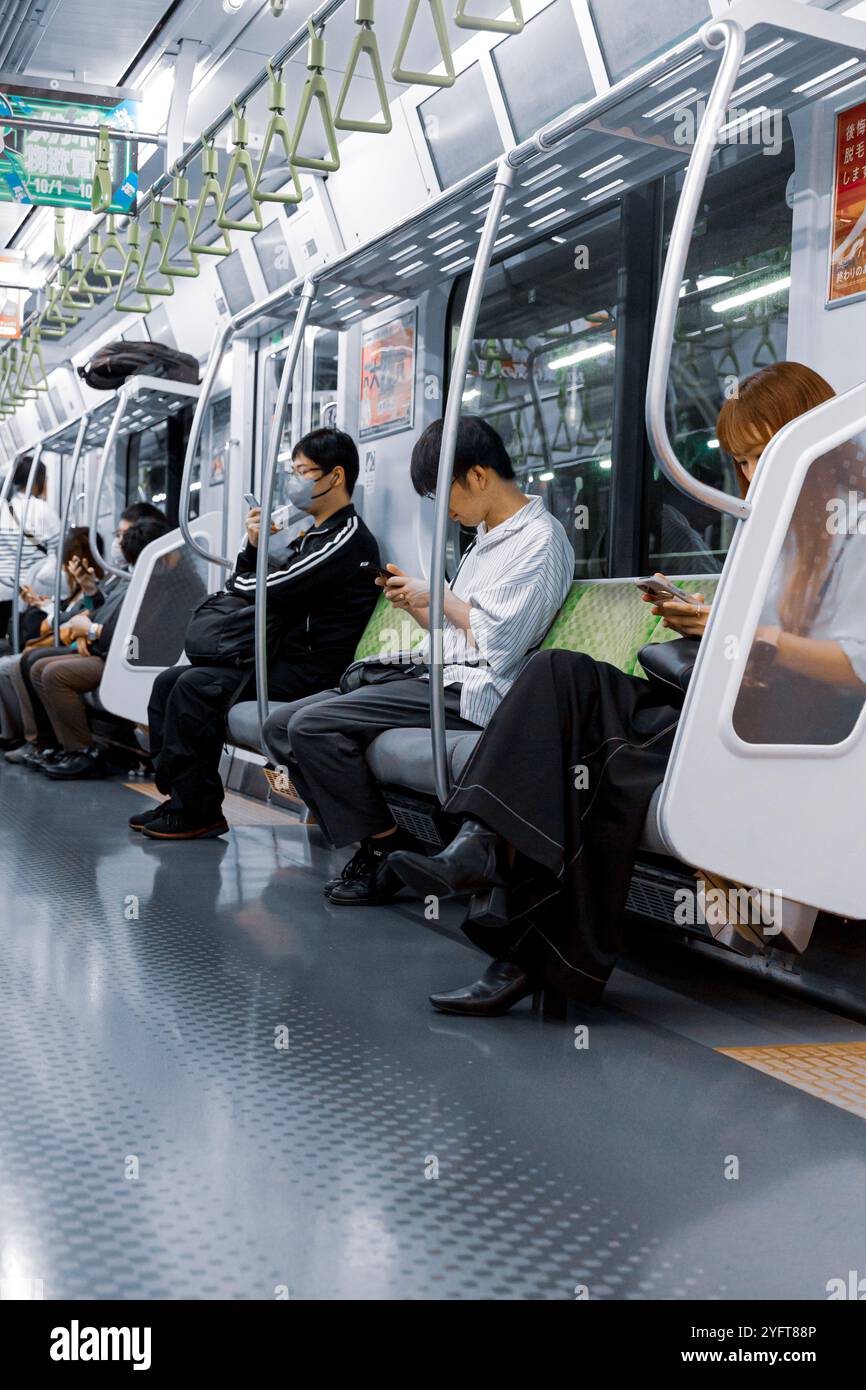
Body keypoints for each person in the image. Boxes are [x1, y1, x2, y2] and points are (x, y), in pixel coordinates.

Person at [386, 361, 863, 1016]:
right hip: (724, 698)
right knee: (556, 673)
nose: (751, 477)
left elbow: (853, 665)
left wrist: (749, 637)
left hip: (784, 726)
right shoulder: (777, 531)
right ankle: (478, 845)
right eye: (743, 461)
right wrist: (707, 620)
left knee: (594, 760)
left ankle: (518, 944)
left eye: (762, 454)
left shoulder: (854, 525)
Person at [271, 415, 574, 905]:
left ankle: (383, 847)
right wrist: (423, 608)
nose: (442, 510)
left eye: (442, 492)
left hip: (474, 692)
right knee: (279, 725)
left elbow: (500, 644)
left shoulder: (541, 540)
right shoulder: (486, 539)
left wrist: (440, 597)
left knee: (310, 727)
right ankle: (386, 839)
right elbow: (459, 629)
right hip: (435, 673)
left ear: (477, 476)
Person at [133, 427, 381, 841]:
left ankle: (199, 810)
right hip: (281, 657)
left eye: (303, 471)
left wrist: (248, 575)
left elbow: (270, 589)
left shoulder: (346, 537)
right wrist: (252, 548)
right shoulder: (310, 536)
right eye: (293, 470)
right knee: (168, 682)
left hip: (312, 668)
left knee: (195, 687)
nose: (293, 481)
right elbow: (259, 581)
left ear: (335, 477)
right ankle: (180, 796)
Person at [4, 502, 167, 768]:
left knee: (45, 669)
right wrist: (91, 593)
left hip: (118, 654)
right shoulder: (122, 577)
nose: (120, 542)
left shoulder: (148, 579)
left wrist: (89, 632)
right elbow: (99, 612)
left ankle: (76, 749)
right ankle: (55, 744)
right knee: (33, 663)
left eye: (124, 536)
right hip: (102, 646)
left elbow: (127, 630)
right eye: (118, 536)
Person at [0, 527, 105, 751]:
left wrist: (51, 610)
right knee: (24, 661)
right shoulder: (81, 589)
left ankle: (42, 740)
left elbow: (86, 615)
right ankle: (21, 735)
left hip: (83, 644)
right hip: (77, 639)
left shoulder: (99, 586)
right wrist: (45, 605)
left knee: (28, 662)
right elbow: (74, 614)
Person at [0, 455, 61, 644]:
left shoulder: (2, 508)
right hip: (30, 593)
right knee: (24, 642)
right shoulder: (43, 511)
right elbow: (57, 552)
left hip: (2, 588)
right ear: (37, 480)